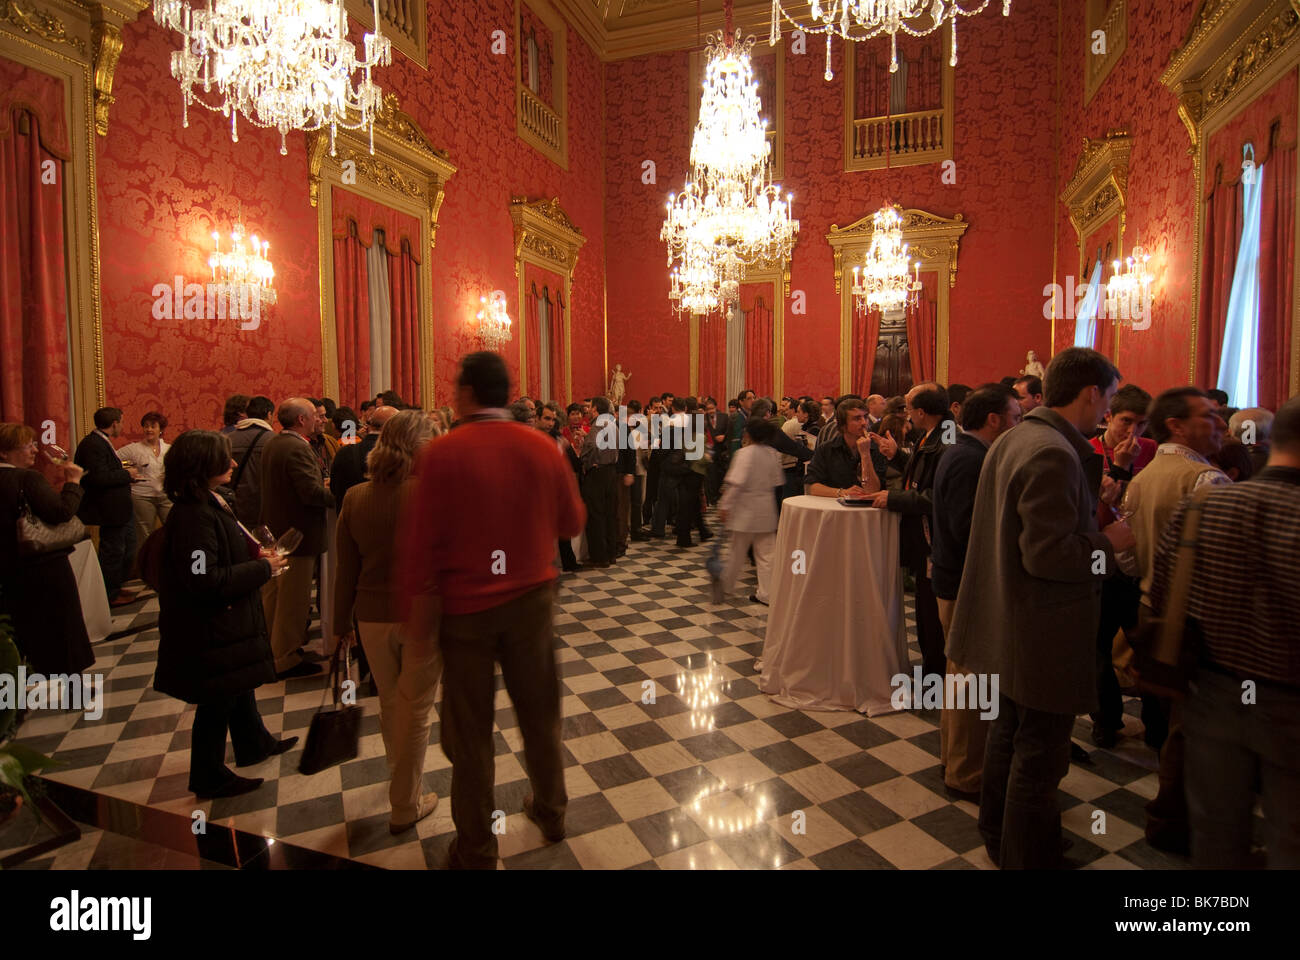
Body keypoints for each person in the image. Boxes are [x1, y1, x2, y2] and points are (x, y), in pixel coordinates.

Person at [947, 347, 1134, 869]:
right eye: (1111, 398)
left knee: (1008, 738)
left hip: (1008, 624)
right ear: (1092, 392)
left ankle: (1002, 839)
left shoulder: (1017, 437)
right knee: (1041, 758)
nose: (1108, 411)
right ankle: (1028, 857)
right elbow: (1049, 554)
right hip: (1040, 633)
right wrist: (1109, 543)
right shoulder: (1052, 449)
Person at [401, 351, 584, 870]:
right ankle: (551, 811)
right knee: (541, 717)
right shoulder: (541, 445)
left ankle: (477, 848)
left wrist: (415, 620)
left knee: (470, 734)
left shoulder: (442, 453)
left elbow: (420, 546)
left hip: (465, 613)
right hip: (531, 603)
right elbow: (572, 524)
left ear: (464, 392)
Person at [1148, 395, 1300, 868]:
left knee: (1215, 834)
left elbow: (1165, 596)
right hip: (1290, 701)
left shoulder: (1203, 507)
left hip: (1211, 692)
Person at [153, 429, 294, 799]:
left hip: (225, 620)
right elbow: (203, 578)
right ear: (202, 466)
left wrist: (256, 558)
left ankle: (253, 742)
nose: (233, 463)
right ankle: (208, 774)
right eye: (224, 458)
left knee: (236, 685)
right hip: (209, 624)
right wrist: (265, 569)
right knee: (217, 699)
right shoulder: (194, 516)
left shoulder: (209, 501)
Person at [1126, 386, 1231, 853]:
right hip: (1193, 619)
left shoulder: (1143, 477)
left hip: (1151, 604)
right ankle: (1178, 821)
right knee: (1193, 730)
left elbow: (1128, 559)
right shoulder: (1206, 481)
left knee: (1177, 724)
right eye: (1210, 417)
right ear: (1176, 424)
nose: (1222, 427)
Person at [333, 410, 441, 834]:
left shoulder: (355, 497)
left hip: (371, 616)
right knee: (416, 710)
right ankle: (404, 804)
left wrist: (340, 624)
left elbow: (346, 570)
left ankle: (402, 781)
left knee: (391, 702)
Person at [930, 385, 1021, 799]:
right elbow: (970, 531)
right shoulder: (971, 460)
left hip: (954, 579)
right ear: (994, 420)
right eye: (1016, 417)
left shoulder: (964, 452)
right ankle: (967, 774)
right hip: (964, 583)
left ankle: (955, 760)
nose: (1018, 425)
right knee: (972, 682)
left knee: (962, 678)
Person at [865, 384, 953, 680]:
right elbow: (921, 478)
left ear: (921, 411)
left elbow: (936, 496)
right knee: (925, 611)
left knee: (933, 615)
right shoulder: (931, 437)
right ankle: (931, 672)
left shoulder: (947, 442)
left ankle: (936, 678)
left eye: (908, 407)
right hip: (922, 539)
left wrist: (894, 498)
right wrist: (898, 456)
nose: (905, 413)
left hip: (933, 539)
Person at [0, 423, 93, 675]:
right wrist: (73, 483)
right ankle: (74, 693)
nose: (34, 450)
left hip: (9, 569)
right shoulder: (27, 478)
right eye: (26, 446)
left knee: (19, 632)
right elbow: (61, 512)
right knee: (64, 631)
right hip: (43, 565)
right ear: (5, 453)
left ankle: (18, 700)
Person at [259, 398, 333, 678]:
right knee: (293, 601)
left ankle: (270, 648)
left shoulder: (275, 443)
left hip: (279, 528)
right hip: (297, 534)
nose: (319, 419)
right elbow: (310, 494)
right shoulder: (296, 447)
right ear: (302, 420)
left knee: (274, 597)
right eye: (315, 415)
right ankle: (285, 657)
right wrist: (344, 494)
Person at [74, 406, 140, 606]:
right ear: (114, 423)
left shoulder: (101, 442)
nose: (122, 426)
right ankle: (109, 594)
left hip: (119, 508)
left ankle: (116, 586)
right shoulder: (93, 444)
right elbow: (97, 477)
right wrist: (126, 474)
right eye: (121, 422)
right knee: (113, 551)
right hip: (108, 509)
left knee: (127, 547)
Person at [718, 418, 784, 605]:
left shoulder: (743, 454)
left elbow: (736, 484)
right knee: (767, 556)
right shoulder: (773, 454)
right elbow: (777, 481)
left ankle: (726, 586)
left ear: (749, 434)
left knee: (736, 551)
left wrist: (725, 505)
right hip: (766, 508)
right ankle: (766, 593)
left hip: (745, 509)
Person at [117, 411, 172, 548]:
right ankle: (145, 566)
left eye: (153, 426)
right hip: (141, 496)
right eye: (146, 426)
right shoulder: (134, 449)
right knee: (145, 535)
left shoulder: (169, 449)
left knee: (173, 530)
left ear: (161, 429)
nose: (149, 429)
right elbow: (112, 459)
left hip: (165, 495)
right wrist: (127, 472)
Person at [804, 399, 876, 498]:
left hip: (868, 509)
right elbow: (811, 486)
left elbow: (873, 490)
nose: (864, 422)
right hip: (834, 509)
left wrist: (865, 455)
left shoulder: (876, 448)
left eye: (865, 417)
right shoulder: (827, 449)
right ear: (843, 425)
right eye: (857, 418)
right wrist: (841, 492)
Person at [331, 405, 397, 509]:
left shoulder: (344, 452)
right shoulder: (399, 454)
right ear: (394, 427)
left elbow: (334, 489)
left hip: (350, 516)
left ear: (369, 425)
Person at [580, 396, 620, 566]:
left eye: (590, 408)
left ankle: (599, 556)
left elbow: (590, 449)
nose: (588, 411)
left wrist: (585, 456)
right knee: (611, 514)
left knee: (596, 516)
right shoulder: (613, 425)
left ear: (595, 409)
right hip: (611, 472)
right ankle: (611, 553)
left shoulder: (598, 424)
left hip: (598, 474)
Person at [226, 395, 274, 529]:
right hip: (263, 509)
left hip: (234, 506)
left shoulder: (226, 439)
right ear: (269, 414)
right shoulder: (274, 440)